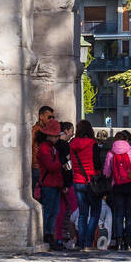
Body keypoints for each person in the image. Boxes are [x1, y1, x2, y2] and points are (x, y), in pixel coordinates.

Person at [104, 130, 131, 252]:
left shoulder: (110, 153)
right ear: (127, 140)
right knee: (130, 214)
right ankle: (129, 243)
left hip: (117, 186)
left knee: (118, 214)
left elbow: (107, 173)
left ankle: (119, 242)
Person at [69, 120, 104, 252]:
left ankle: (81, 242)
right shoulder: (92, 144)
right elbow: (97, 164)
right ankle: (88, 244)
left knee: (83, 214)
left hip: (78, 181)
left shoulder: (72, 144)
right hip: (92, 181)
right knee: (95, 214)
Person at [35, 119, 66, 250]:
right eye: (56, 136)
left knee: (54, 211)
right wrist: (63, 163)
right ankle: (46, 234)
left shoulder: (52, 148)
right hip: (48, 184)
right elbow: (51, 166)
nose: (58, 138)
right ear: (50, 136)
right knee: (48, 211)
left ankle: (49, 234)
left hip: (55, 183)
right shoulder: (44, 148)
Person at [31, 105, 56, 193]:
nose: (51, 119)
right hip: (37, 168)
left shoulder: (47, 130)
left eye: (53, 117)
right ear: (41, 116)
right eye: (49, 117)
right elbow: (30, 147)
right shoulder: (35, 130)